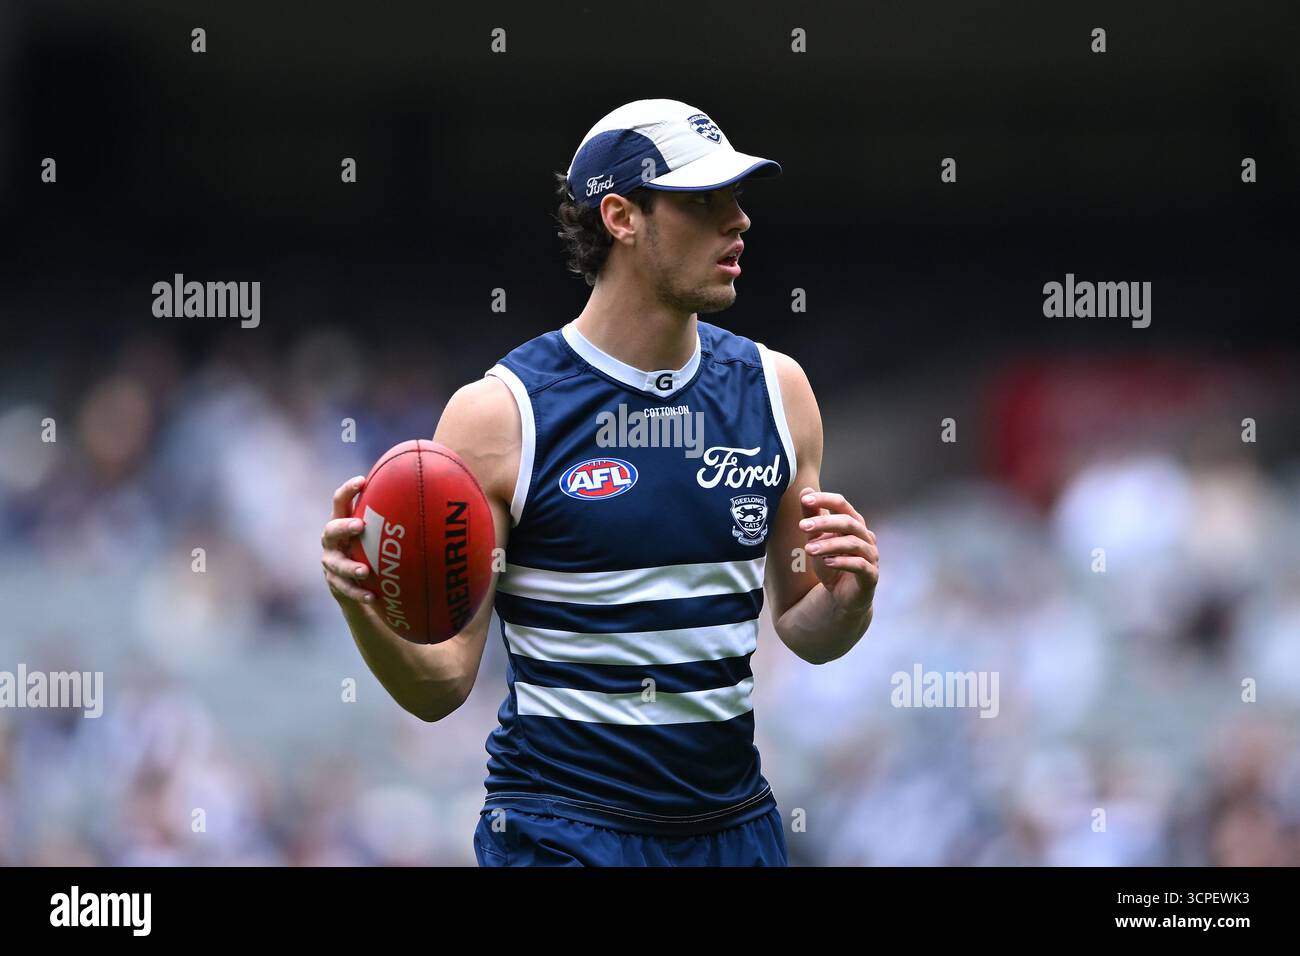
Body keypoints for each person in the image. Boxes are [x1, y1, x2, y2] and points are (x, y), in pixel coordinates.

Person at [320, 99, 879, 866]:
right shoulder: (500, 416)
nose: (739, 221)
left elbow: (803, 627)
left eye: (739, 198)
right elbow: (441, 685)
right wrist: (360, 602)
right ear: (620, 215)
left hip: (734, 829)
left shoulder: (779, 392)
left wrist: (848, 603)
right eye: (704, 201)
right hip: (562, 832)